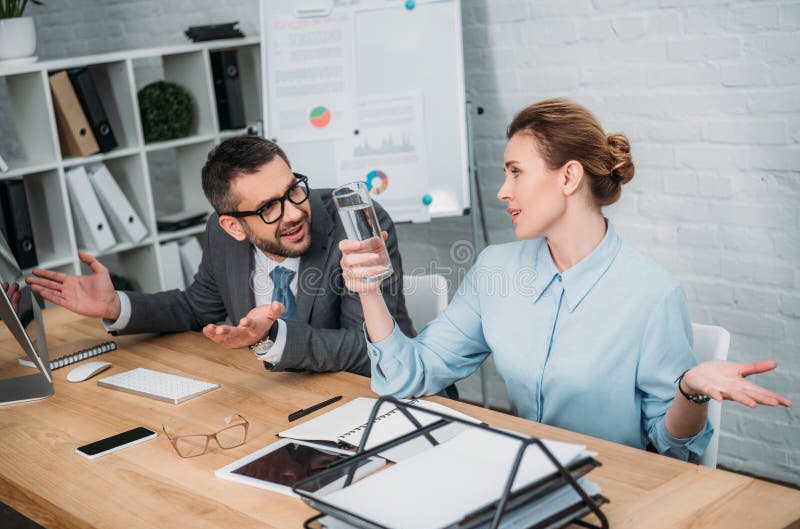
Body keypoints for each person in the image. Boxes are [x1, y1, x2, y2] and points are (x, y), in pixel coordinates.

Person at [339, 98, 791, 461]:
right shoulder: (496, 270)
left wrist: (689, 392)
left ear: (569, 177)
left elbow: (672, 450)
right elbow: (410, 375)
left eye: (516, 172)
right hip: (520, 476)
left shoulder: (651, 294)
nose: (503, 191)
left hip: (614, 487)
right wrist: (370, 291)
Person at [27, 135, 414, 376]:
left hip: (366, 399)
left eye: (293, 190)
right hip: (275, 398)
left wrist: (272, 339)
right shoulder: (221, 235)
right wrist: (116, 306)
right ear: (233, 226)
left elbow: (369, 349)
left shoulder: (355, 223)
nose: (294, 213)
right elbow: (197, 309)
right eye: (268, 207)